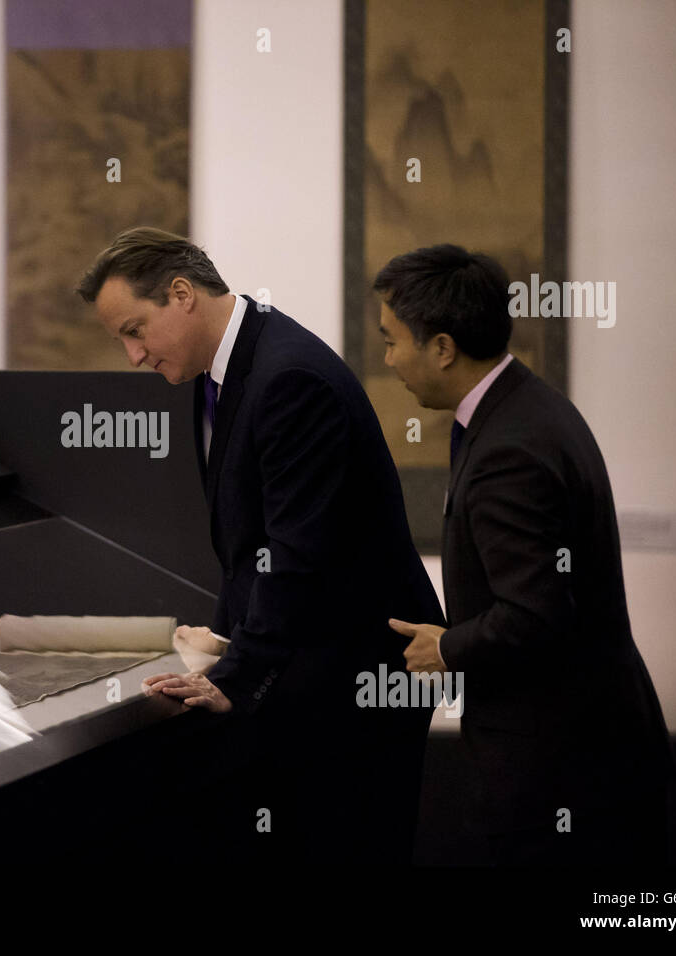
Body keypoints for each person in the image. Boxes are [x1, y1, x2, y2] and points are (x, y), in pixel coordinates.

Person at [75, 227, 444, 863]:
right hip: (310, 674)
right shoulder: (222, 368)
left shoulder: (287, 377)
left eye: (135, 329)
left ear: (182, 294)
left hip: (356, 688)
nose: (133, 355)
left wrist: (238, 674)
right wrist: (224, 644)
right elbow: (249, 544)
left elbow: (297, 553)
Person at [375, 243, 676, 865]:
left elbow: (537, 614)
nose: (387, 360)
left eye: (392, 340)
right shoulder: (528, 406)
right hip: (590, 753)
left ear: (442, 347)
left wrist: (447, 646)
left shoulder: (508, 449)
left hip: (562, 771)